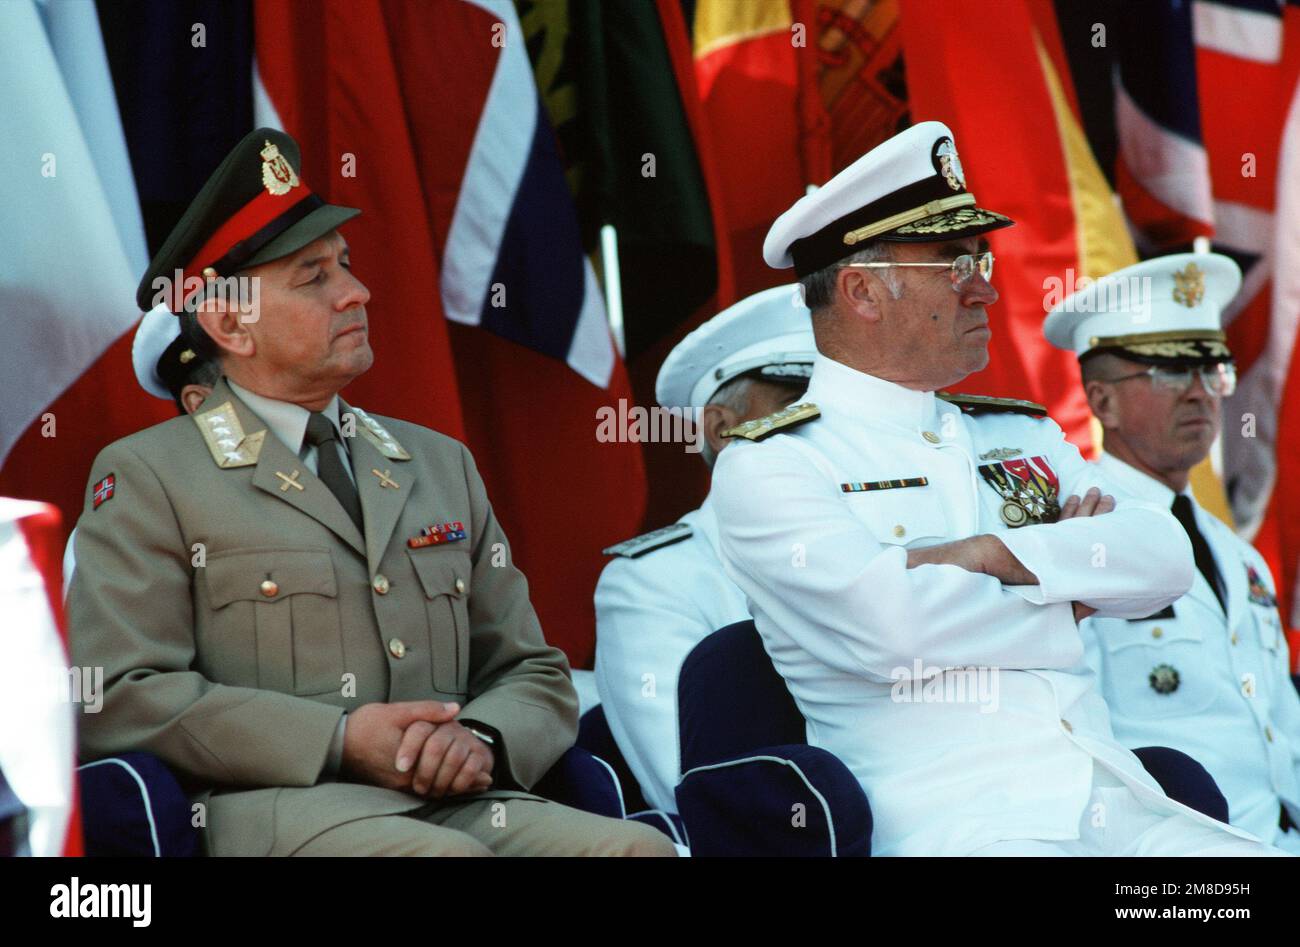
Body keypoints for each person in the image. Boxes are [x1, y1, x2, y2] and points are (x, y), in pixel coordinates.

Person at [66, 128, 674, 857]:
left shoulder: (438, 461)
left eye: (345, 266)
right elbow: (118, 695)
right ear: (231, 323)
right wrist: (340, 738)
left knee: (642, 852)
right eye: (313, 276)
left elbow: (533, 668)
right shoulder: (150, 474)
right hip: (281, 812)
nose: (357, 291)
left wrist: (481, 738)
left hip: (465, 803)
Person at [710, 120, 1284, 855]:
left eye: (980, 256)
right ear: (860, 290)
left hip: (1116, 807)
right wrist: (1072, 587)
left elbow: (1162, 555)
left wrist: (987, 553)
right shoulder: (770, 465)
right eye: (953, 264)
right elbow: (894, 629)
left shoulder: (1021, 433)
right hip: (958, 827)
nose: (985, 287)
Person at [1046, 252, 1300, 853]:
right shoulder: (1080, 537)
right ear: (1102, 402)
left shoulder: (1239, 557)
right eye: (1167, 372)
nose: (1199, 394)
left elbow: (1279, 723)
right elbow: (1076, 737)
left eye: (1210, 370)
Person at [594, 286, 814, 813]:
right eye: (798, 407)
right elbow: (703, 789)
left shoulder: (911, 537)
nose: (834, 427)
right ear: (722, 429)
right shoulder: (654, 581)